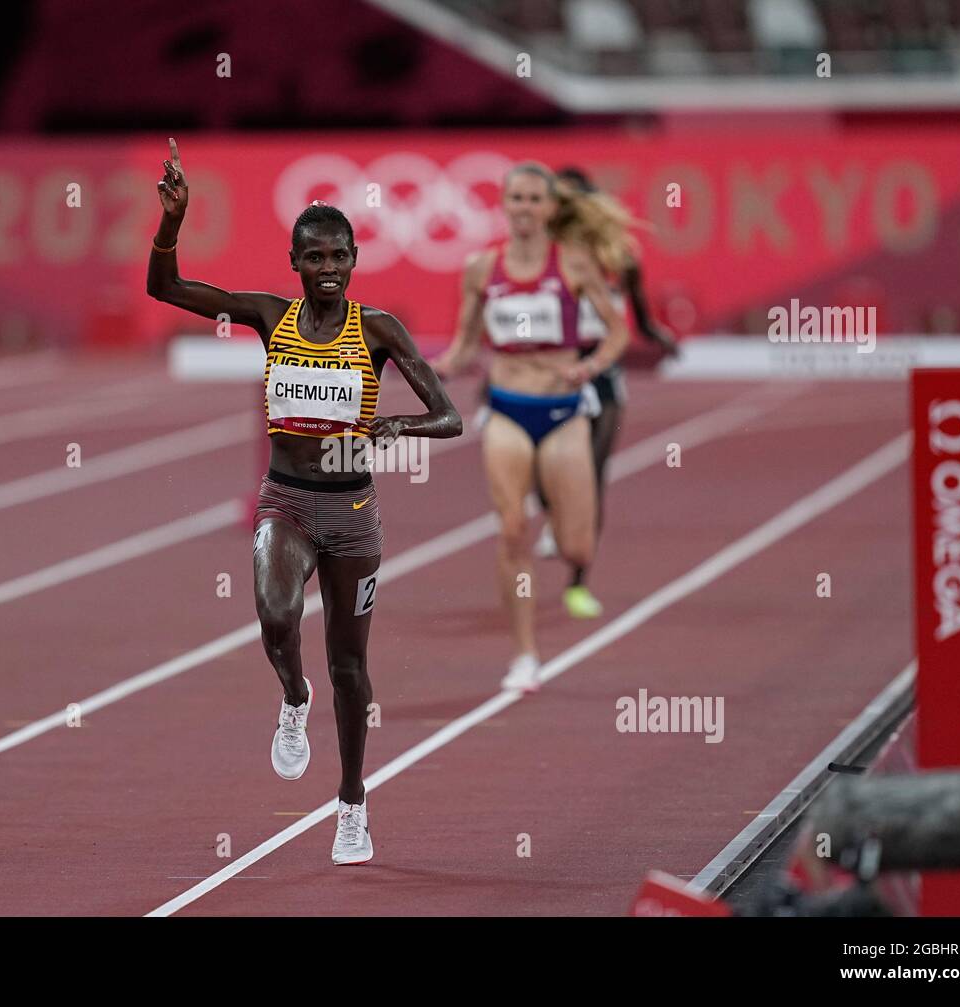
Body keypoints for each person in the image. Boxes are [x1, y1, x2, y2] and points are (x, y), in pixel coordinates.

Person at [147, 140, 461, 865]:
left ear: (355, 260)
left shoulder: (376, 330)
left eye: (339, 258)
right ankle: (293, 698)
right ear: (295, 263)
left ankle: (352, 802)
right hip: (286, 499)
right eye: (314, 258)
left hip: (353, 515)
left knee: (350, 667)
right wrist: (173, 222)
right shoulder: (269, 316)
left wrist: (397, 426)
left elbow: (449, 414)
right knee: (277, 614)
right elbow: (167, 289)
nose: (327, 270)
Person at [433, 161, 629, 692]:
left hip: (564, 413)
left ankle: (567, 538)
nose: (523, 208)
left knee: (576, 548)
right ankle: (524, 656)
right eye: (515, 198)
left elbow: (617, 334)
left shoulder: (574, 263)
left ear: (549, 209)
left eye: (533, 200)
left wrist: (590, 366)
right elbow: (466, 343)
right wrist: (441, 365)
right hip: (507, 410)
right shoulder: (481, 269)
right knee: (512, 530)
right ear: (504, 205)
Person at [532, 168, 679, 608]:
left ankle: (578, 582)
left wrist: (658, 334)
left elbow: (640, 315)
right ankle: (556, 514)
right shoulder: (547, 256)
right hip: (557, 369)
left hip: (602, 371)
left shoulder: (621, 258)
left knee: (592, 477)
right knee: (542, 465)